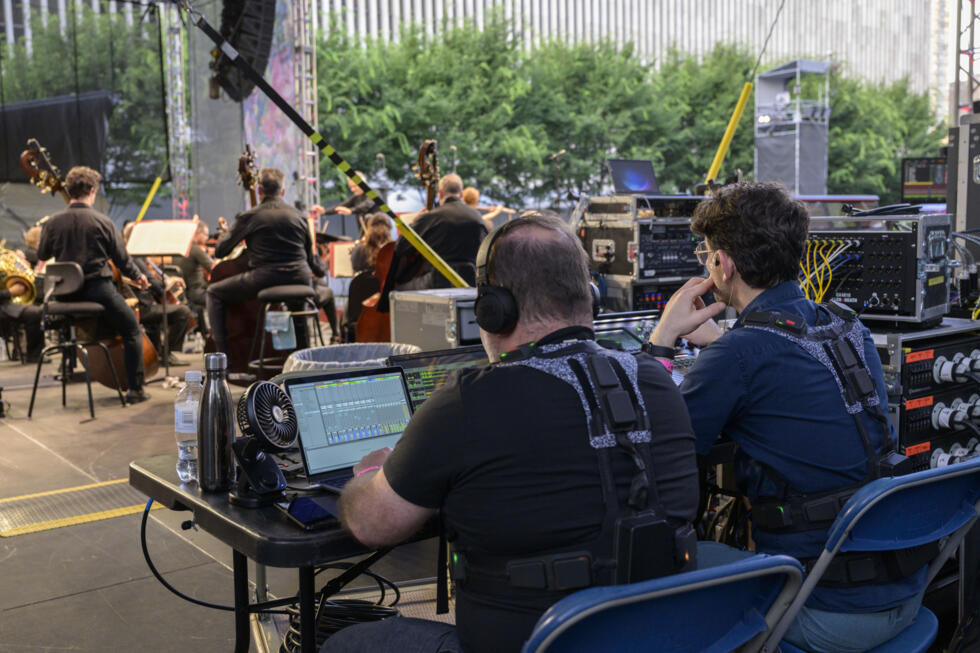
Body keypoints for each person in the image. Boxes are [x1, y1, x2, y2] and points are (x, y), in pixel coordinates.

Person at [324, 213, 699, 653]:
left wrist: (370, 476)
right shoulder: (656, 381)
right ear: (590, 296)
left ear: (493, 308)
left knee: (344, 642)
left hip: (529, 644)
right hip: (656, 637)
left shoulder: (467, 401)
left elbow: (372, 525)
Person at [648, 182, 924, 652]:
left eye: (706, 252)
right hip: (904, 592)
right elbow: (788, 375)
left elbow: (655, 447)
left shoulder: (739, 356)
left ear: (724, 263)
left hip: (824, 612)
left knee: (668, 591)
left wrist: (662, 339)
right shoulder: (846, 324)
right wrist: (721, 346)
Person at [36, 166, 151, 403]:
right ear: (91, 190)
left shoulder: (52, 223)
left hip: (63, 297)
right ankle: (135, 390)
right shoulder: (102, 221)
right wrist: (139, 277)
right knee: (131, 329)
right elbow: (122, 259)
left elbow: (42, 253)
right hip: (98, 291)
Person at [207, 167, 326, 354]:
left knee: (213, 292)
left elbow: (221, 251)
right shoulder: (299, 217)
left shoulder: (250, 217)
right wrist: (321, 271)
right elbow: (310, 258)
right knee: (298, 306)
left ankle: (222, 359)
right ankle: (303, 356)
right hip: (299, 278)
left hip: (264, 278)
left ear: (259, 191)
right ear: (283, 191)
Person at [384, 174, 488, 296]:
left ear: (440, 193)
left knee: (397, 291)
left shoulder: (432, 217)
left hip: (436, 282)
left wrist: (413, 223)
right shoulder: (478, 217)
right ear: (461, 194)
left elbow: (400, 246)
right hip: (471, 283)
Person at [172, 220, 213, 335]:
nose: (207, 238)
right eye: (205, 234)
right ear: (197, 233)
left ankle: (206, 333)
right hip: (196, 292)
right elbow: (212, 268)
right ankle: (215, 333)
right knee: (221, 298)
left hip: (185, 291)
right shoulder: (195, 249)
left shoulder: (182, 247)